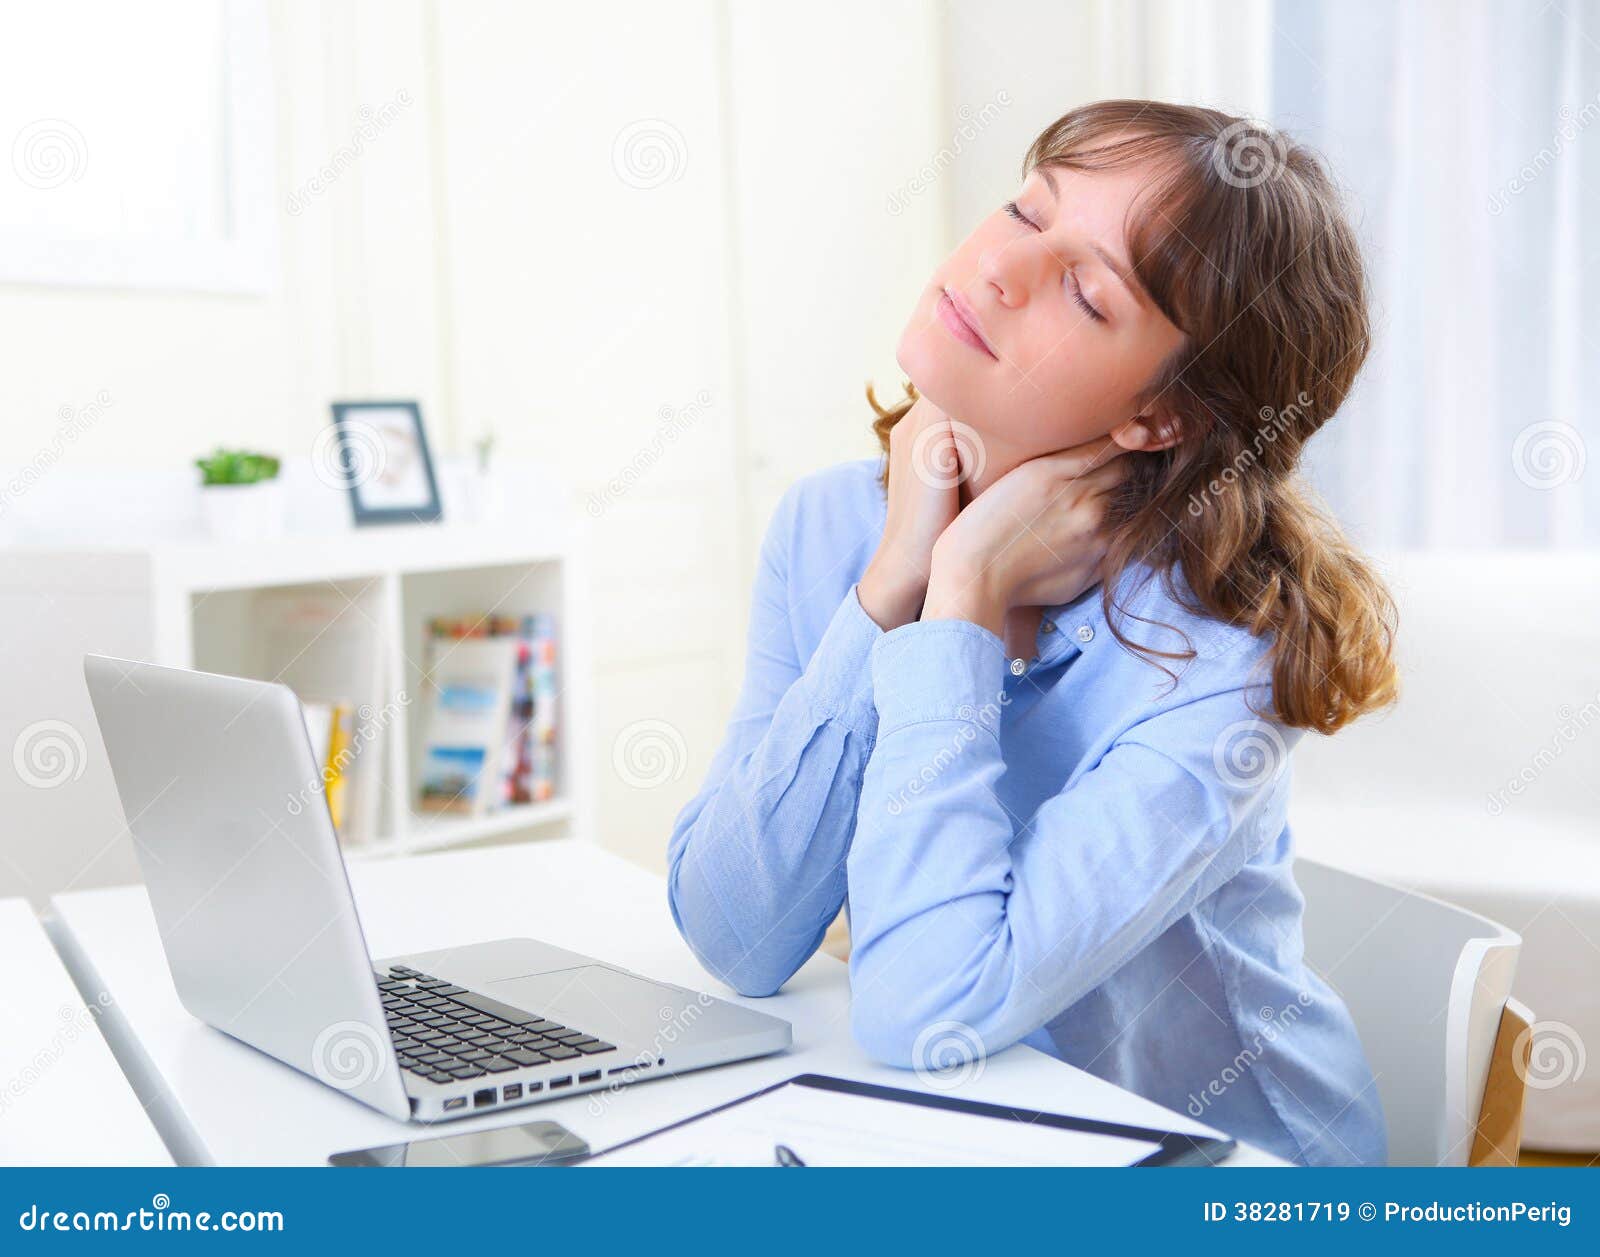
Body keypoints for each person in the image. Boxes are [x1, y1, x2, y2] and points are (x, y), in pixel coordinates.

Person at [667, 100, 1398, 1167]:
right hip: (968, 1145)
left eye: (1085, 290)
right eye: (1024, 210)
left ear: (1163, 417)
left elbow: (930, 1011)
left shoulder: (1217, 659)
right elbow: (736, 934)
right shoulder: (831, 526)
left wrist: (960, 591)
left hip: (1217, 1169)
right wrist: (888, 589)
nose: (1003, 269)